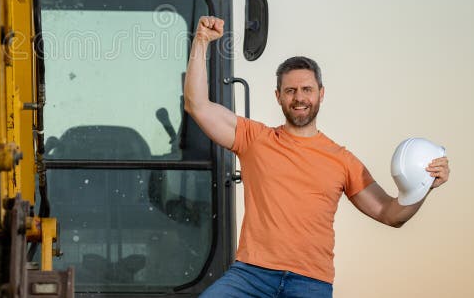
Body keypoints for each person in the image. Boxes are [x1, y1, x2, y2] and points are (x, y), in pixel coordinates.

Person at [184, 16, 450, 298]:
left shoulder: (342, 160)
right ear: (278, 96)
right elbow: (197, 104)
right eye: (291, 90)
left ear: (321, 94)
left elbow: (390, 214)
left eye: (307, 89)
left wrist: (425, 186)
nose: (299, 97)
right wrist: (201, 41)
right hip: (251, 276)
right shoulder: (254, 139)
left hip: (309, 283)